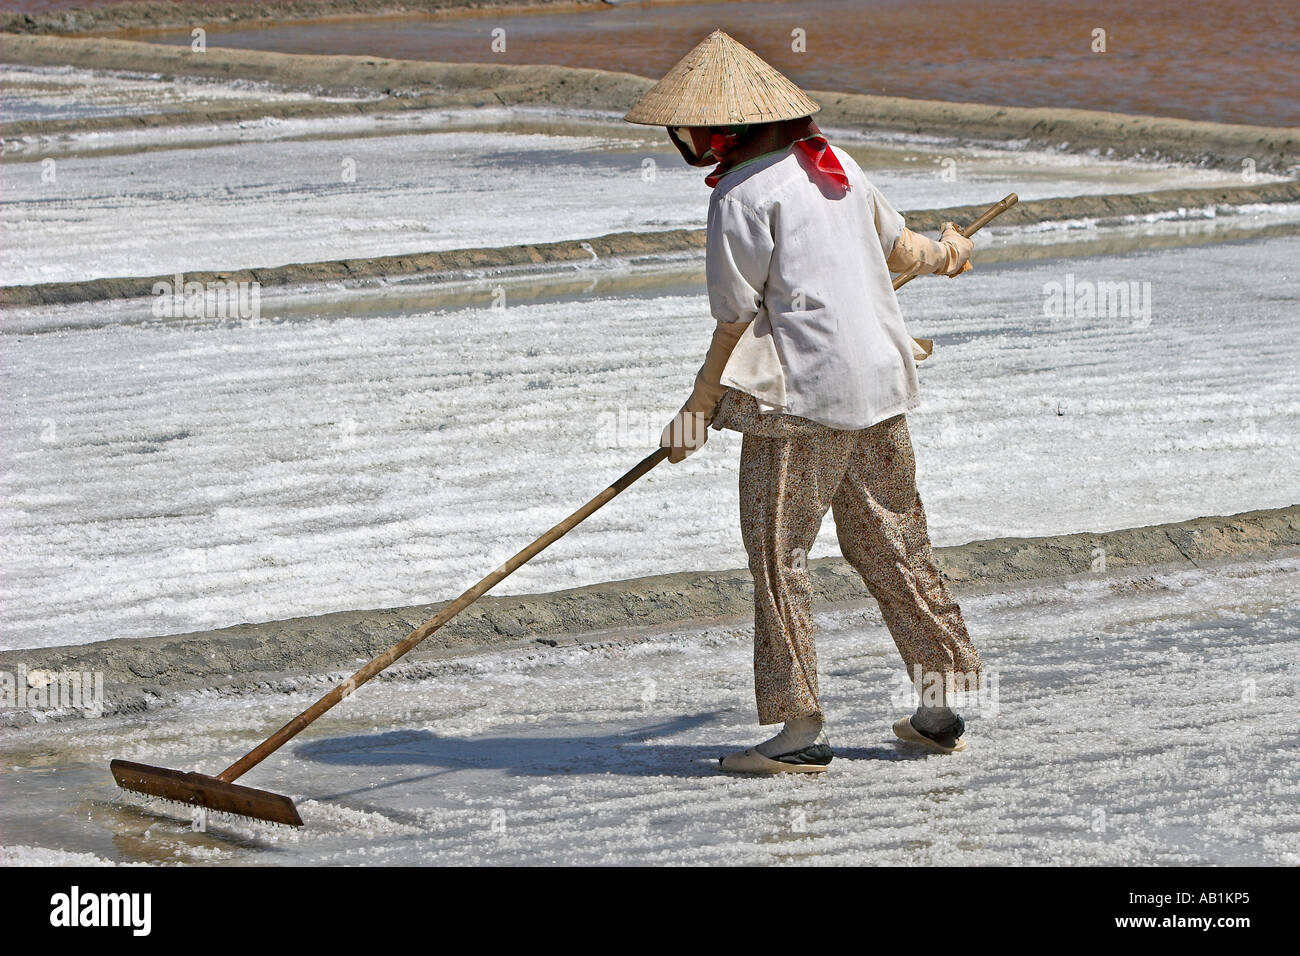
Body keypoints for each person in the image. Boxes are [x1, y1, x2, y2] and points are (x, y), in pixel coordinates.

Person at [624, 31, 984, 773]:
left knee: (779, 555)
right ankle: (940, 704)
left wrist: (697, 407)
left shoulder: (739, 195)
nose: (685, 140)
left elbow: (734, 317)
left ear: (718, 130)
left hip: (803, 402)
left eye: (689, 130)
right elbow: (900, 249)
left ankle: (799, 731)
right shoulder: (835, 164)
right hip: (880, 386)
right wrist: (948, 254)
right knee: (892, 542)